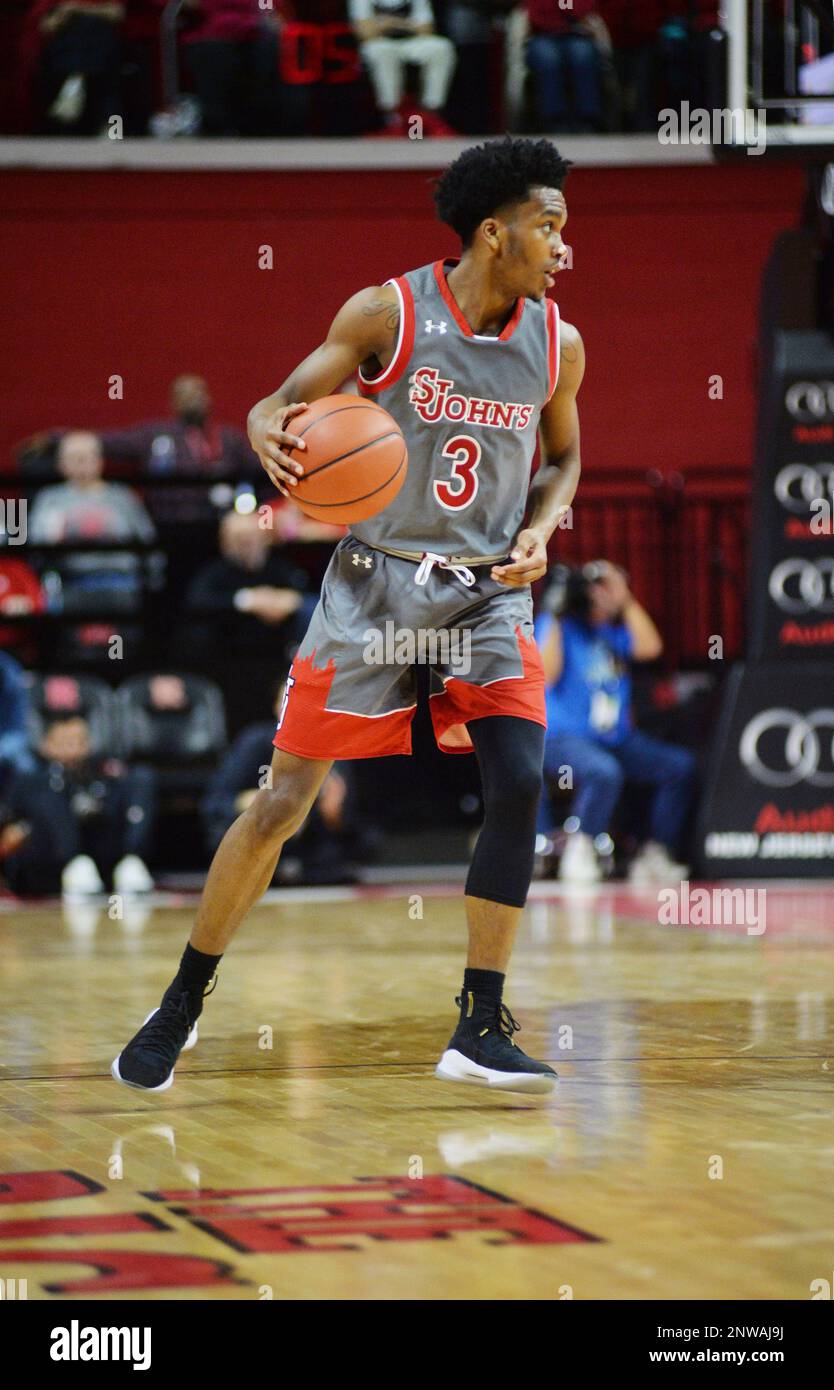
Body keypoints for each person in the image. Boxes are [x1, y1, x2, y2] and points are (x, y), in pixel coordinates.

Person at [112, 136, 584, 1097]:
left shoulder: (559, 341)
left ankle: (479, 1021)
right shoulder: (388, 311)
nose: (564, 246)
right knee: (282, 802)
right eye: (549, 226)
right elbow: (281, 402)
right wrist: (262, 422)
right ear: (494, 234)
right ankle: (181, 1004)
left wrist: (544, 524)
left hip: (488, 588)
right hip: (376, 583)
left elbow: (566, 458)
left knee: (523, 779)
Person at [535, 561, 696, 885]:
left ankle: (655, 853)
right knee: (603, 771)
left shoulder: (612, 631)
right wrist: (555, 609)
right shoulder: (558, 626)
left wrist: (624, 598)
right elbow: (546, 674)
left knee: (679, 767)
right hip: (563, 738)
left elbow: (650, 648)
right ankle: (581, 847)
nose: (600, 596)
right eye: (595, 590)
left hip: (614, 738)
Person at [1, 713, 156, 897]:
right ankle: (75, 864)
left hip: (99, 854)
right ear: (46, 746)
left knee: (141, 777)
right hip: (49, 861)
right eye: (65, 741)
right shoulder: (29, 781)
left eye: (79, 741)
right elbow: (11, 824)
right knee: (50, 787)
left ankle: (131, 861)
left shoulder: (105, 775)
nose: (73, 748)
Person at [27, 430, 157, 611]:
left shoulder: (122, 497)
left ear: (100, 460)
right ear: (60, 464)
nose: (82, 462)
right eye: (74, 457)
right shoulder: (50, 499)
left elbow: (147, 540)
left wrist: (153, 582)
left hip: (122, 587)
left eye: (88, 456)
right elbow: (37, 545)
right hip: (71, 586)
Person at [183, 509, 315, 658]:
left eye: (253, 537)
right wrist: (247, 600)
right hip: (228, 650)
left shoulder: (279, 567)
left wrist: (283, 601)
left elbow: (304, 593)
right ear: (225, 542)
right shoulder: (215, 572)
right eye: (240, 538)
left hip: (277, 648)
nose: (248, 544)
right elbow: (198, 601)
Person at [348, 0, 458, 136]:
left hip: (412, 42)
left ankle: (429, 113)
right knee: (382, 52)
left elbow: (427, 29)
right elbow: (366, 32)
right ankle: (393, 117)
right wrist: (407, 24)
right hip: (379, 43)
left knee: (441, 47)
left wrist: (388, 23)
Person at [524, 0, 605, 134]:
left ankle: (587, 119)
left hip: (577, 35)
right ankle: (554, 120)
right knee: (548, 60)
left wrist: (563, 7)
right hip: (542, 35)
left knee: (583, 56)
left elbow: (584, 10)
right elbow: (536, 15)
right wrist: (562, 19)